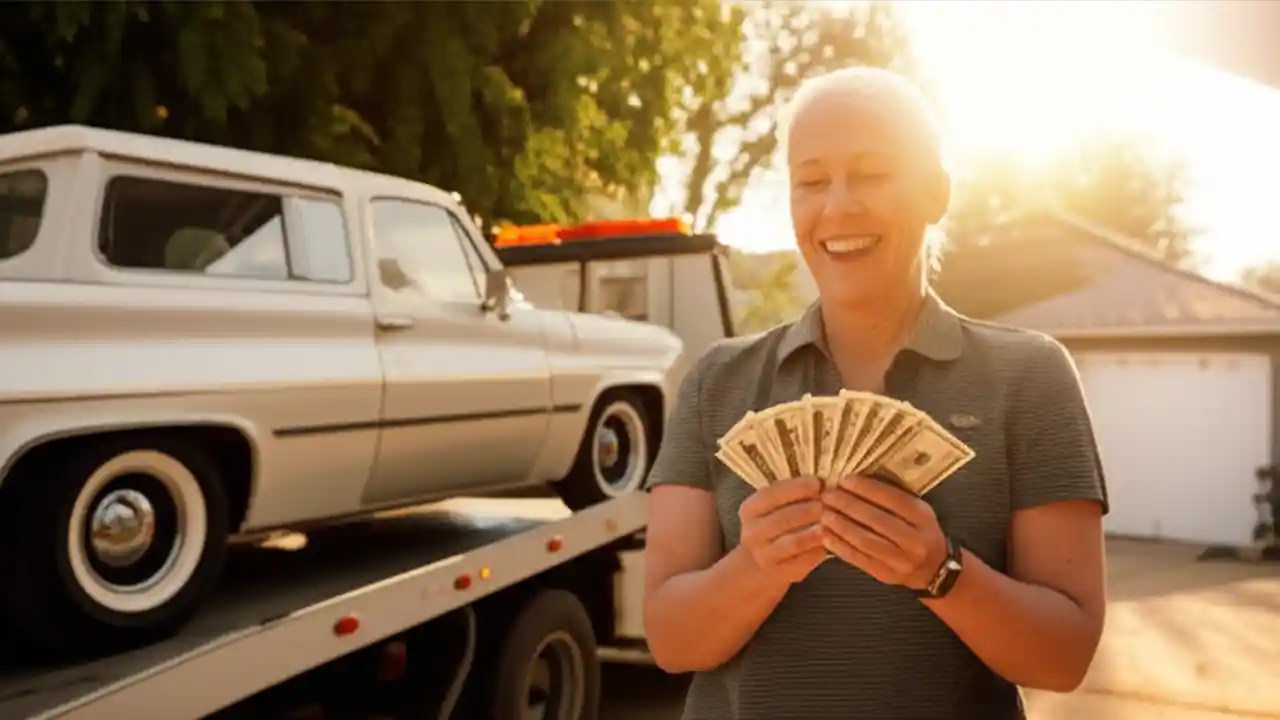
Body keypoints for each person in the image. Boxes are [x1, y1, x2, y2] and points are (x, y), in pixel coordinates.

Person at [642, 66, 1109, 719]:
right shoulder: (716, 382)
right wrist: (758, 566)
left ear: (936, 194)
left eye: (871, 173)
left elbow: (1064, 658)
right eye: (811, 181)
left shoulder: (1030, 376)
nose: (837, 207)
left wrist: (937, 570)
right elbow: (669, 640)